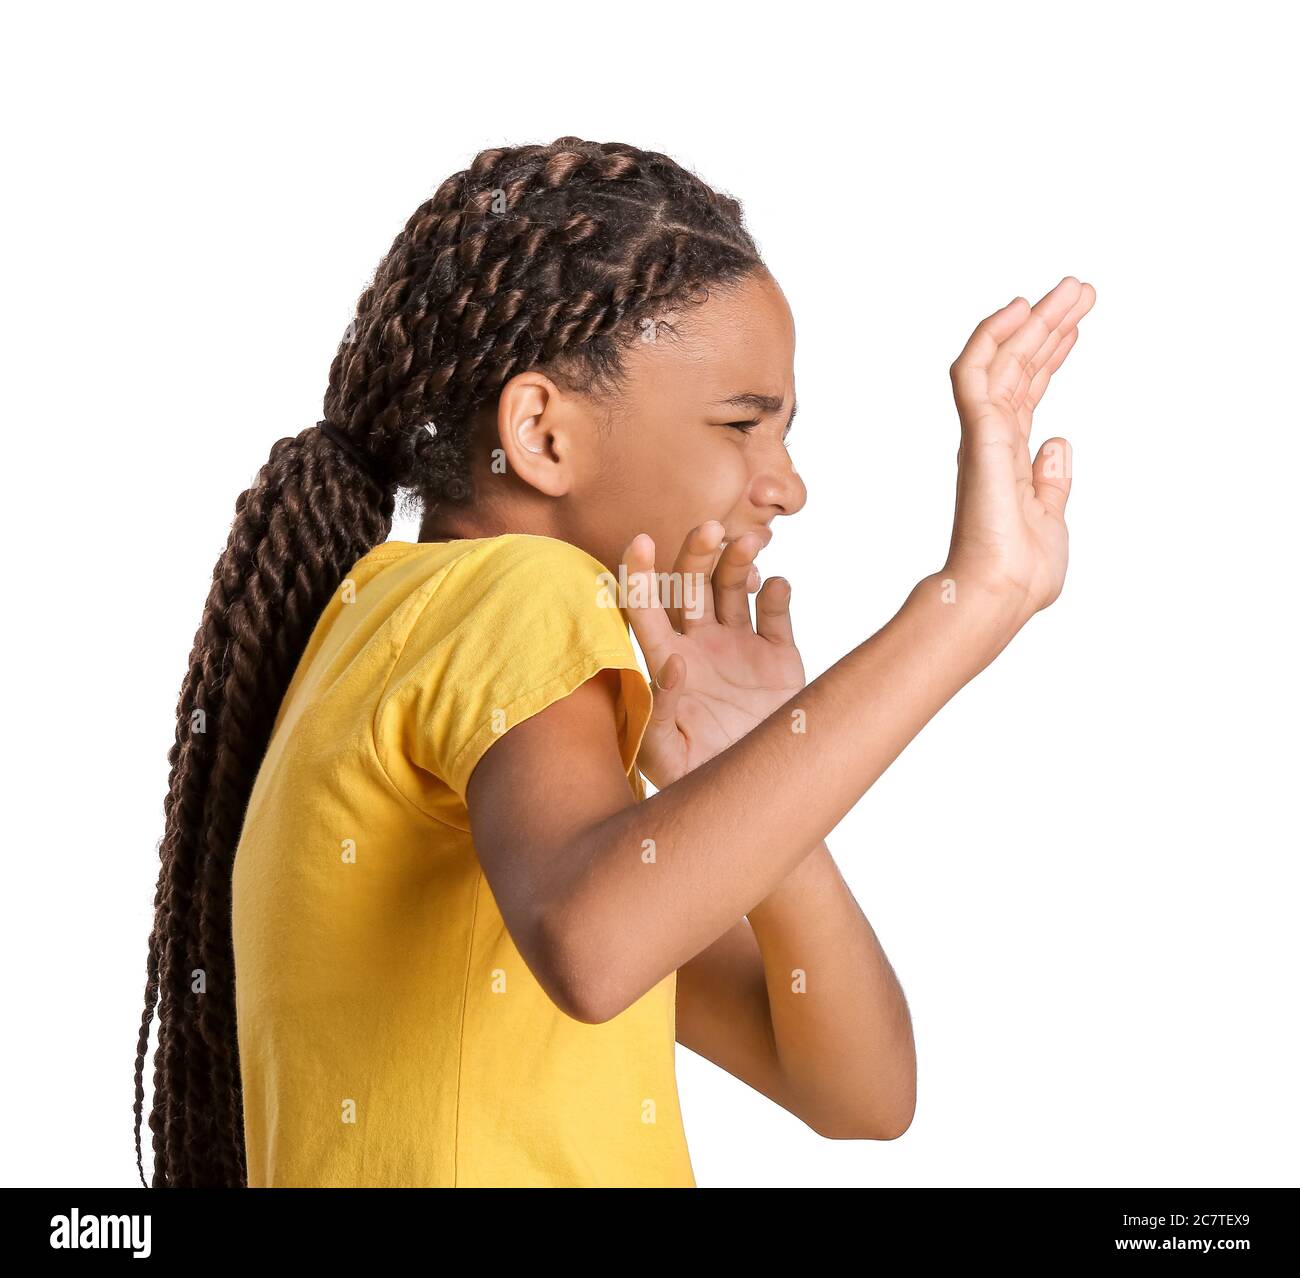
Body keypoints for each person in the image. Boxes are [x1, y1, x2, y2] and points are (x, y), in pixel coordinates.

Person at [134, 135, 1095, 1187]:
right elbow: (591, 947)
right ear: (541, 435)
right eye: (741, 423)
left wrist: (758, 771)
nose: (785, 486)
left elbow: (858, 1095)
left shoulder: (387, 630)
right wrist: (973, 603)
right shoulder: (521, 593)